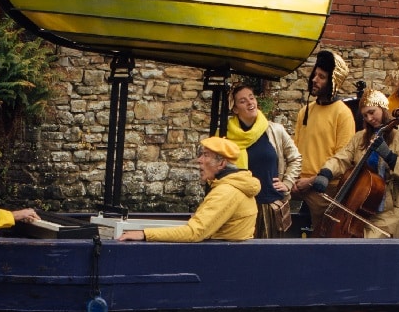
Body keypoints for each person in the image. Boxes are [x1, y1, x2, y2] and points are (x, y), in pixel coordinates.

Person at [306, 91, 399, 238]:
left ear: (383, 108)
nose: (369, 119)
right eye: (365, 116)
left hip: (389, 210)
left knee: (369, 247)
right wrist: (326, 173)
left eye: (372, 113)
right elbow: (342, 157)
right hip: (358, 206)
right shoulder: (361, 137)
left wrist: (390, 156)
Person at [118, 136, 261, 242]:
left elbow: (194, 232)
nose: (199, 160)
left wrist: (144, 234)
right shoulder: (235, 186)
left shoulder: (226, 192)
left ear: (222, 163)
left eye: (206, 155)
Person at [223, 81, 301, 237]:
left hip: (270, 206)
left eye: (251, 98)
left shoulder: (275, 130)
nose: (250, 103)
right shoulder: (226, 135)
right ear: (235, 108)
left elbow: (295, 158)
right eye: (242, 101)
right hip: (242, 208)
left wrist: (287, 182)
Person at [290, 50, 357, 232]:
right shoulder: (305, 111)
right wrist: (292, 180)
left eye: (321, 77)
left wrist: (311, 181)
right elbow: (294, 150)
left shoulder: (342, 113)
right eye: (315, 74)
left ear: (332, 82)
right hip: (297, 185)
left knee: (320, 236)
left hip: (323, 189)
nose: (315, 80)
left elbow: (343, 159)